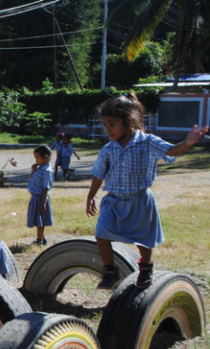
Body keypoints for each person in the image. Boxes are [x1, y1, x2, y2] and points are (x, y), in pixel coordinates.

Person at [86, 93, 209, 290]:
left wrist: (188, 143)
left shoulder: (148, 142)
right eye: (105, 125)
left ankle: (146, 267)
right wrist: (91, 196)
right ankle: (109, 270)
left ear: (129, 121)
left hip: (140, 201)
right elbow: (99, 174)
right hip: (114, 202)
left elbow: (169, 151)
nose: (107, 129)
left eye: (112, 124)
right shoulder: (108, 149)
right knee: (101, 234)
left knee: (144, 238)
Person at [27, 145, 54, 246]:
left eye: (37, 158)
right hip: (35, 197)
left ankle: (39, 241)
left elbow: (45, 188)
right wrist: (33, 170)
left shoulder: (47, 171)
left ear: (45, 157)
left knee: (40, 221)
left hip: (40, 198)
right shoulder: (39, 168)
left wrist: (43, 203)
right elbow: (31, 179)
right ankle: (42, 238)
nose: (36, 160)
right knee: (37, 219)